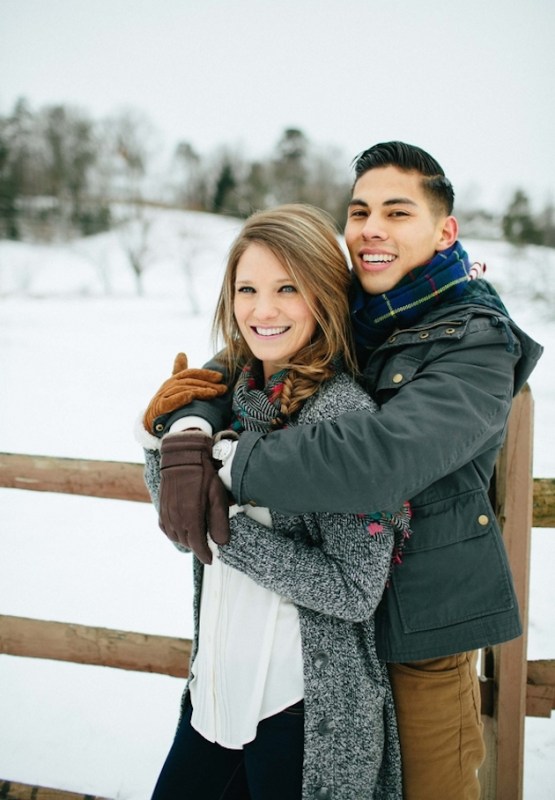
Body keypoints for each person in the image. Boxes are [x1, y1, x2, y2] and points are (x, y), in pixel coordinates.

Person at [143, 142, 543, 799]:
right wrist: (186, 427)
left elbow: (380, 460)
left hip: (414, 628)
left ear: (444, 230)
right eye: (359, 211)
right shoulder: (356, 306)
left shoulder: (475, 340)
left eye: (396, 211)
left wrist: (226, 467)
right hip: (313, 637)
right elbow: (244, 356)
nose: (371, 228)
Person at [138, 204, 411, 800]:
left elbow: (353, 589)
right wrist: (168, 435)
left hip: (301, 711)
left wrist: (227, 532)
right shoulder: (228, 397)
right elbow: (176, 511)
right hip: (212, 695)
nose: (263, 309)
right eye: (248, 289)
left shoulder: (343, 418)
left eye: (288, 288)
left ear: (324, 296)